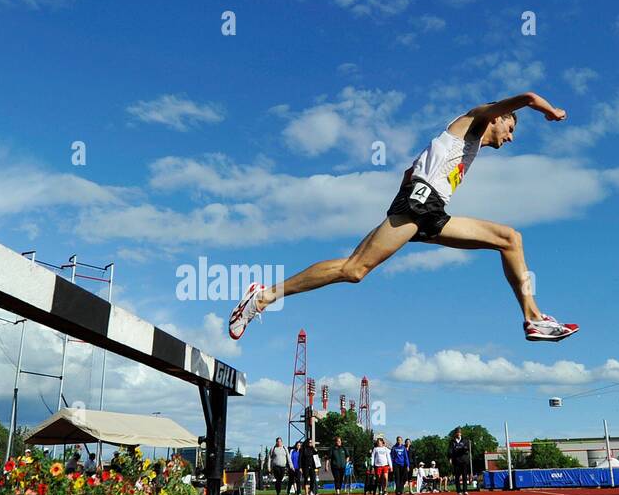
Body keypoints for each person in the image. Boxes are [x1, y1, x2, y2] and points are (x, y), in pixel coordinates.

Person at [229, 92, 578, 344]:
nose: (511, 137)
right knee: (354, 270)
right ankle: (262, 296)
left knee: (510, 239)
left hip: (429, 209)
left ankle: (533, 318)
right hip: (420, 204)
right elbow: (528, 97)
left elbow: (410, 170)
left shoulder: (464, 150)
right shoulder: (475, 120)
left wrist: (405, 198)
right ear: (498, 118)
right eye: (511, 128)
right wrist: (551, 111)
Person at [449, 428, 471, 495]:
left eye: (459, 432)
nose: (458, 433)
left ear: (461, 433)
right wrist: (450, 458)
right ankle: (458, 491)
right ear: (455, 433)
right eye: (457, 432)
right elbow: (450, 450)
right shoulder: (452, 441)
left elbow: (467, 449)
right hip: (456, 460)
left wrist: (461, 449)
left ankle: (465, 490)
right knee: (457, 477)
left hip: (464, 460)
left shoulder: (465, 440)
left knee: (464, 476)